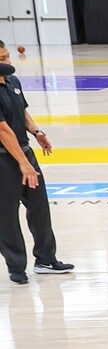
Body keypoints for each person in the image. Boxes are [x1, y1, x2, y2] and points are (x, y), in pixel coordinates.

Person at [0, 46, 73, 284]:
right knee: (7, 216)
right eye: (2, 58)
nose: (8, 61)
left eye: (7, 55)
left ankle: (45, 259)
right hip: (5, 160)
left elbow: (22, 112)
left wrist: (37, 132)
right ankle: (16, 266)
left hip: (25, 154)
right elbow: (3, 130)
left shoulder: (13, 80)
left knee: (39, 206)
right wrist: (23, 163)